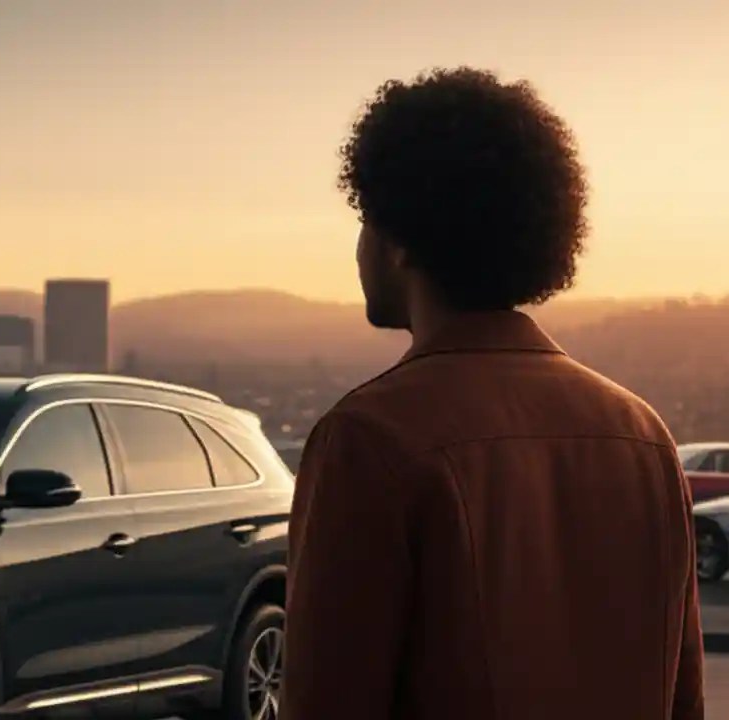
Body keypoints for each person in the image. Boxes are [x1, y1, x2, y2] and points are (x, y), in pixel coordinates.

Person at [282, 68, 703, 719]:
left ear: (398, 243)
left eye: (366, 219)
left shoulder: (371, 439)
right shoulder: (643, 434)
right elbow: (682, 700)